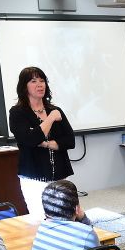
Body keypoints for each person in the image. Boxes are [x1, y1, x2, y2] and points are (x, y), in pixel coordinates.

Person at [8, 66, 75, 221]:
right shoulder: (18, 113)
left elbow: (70, 141)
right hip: (34, 179)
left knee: (67, 218)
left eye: (42, 80)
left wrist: (46, 144)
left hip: (60, 176)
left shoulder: (55, 109)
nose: (40, 85)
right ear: (24, 87)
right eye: (33, 81)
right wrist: (50, 119)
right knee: (40, 221)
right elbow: (30, 140)